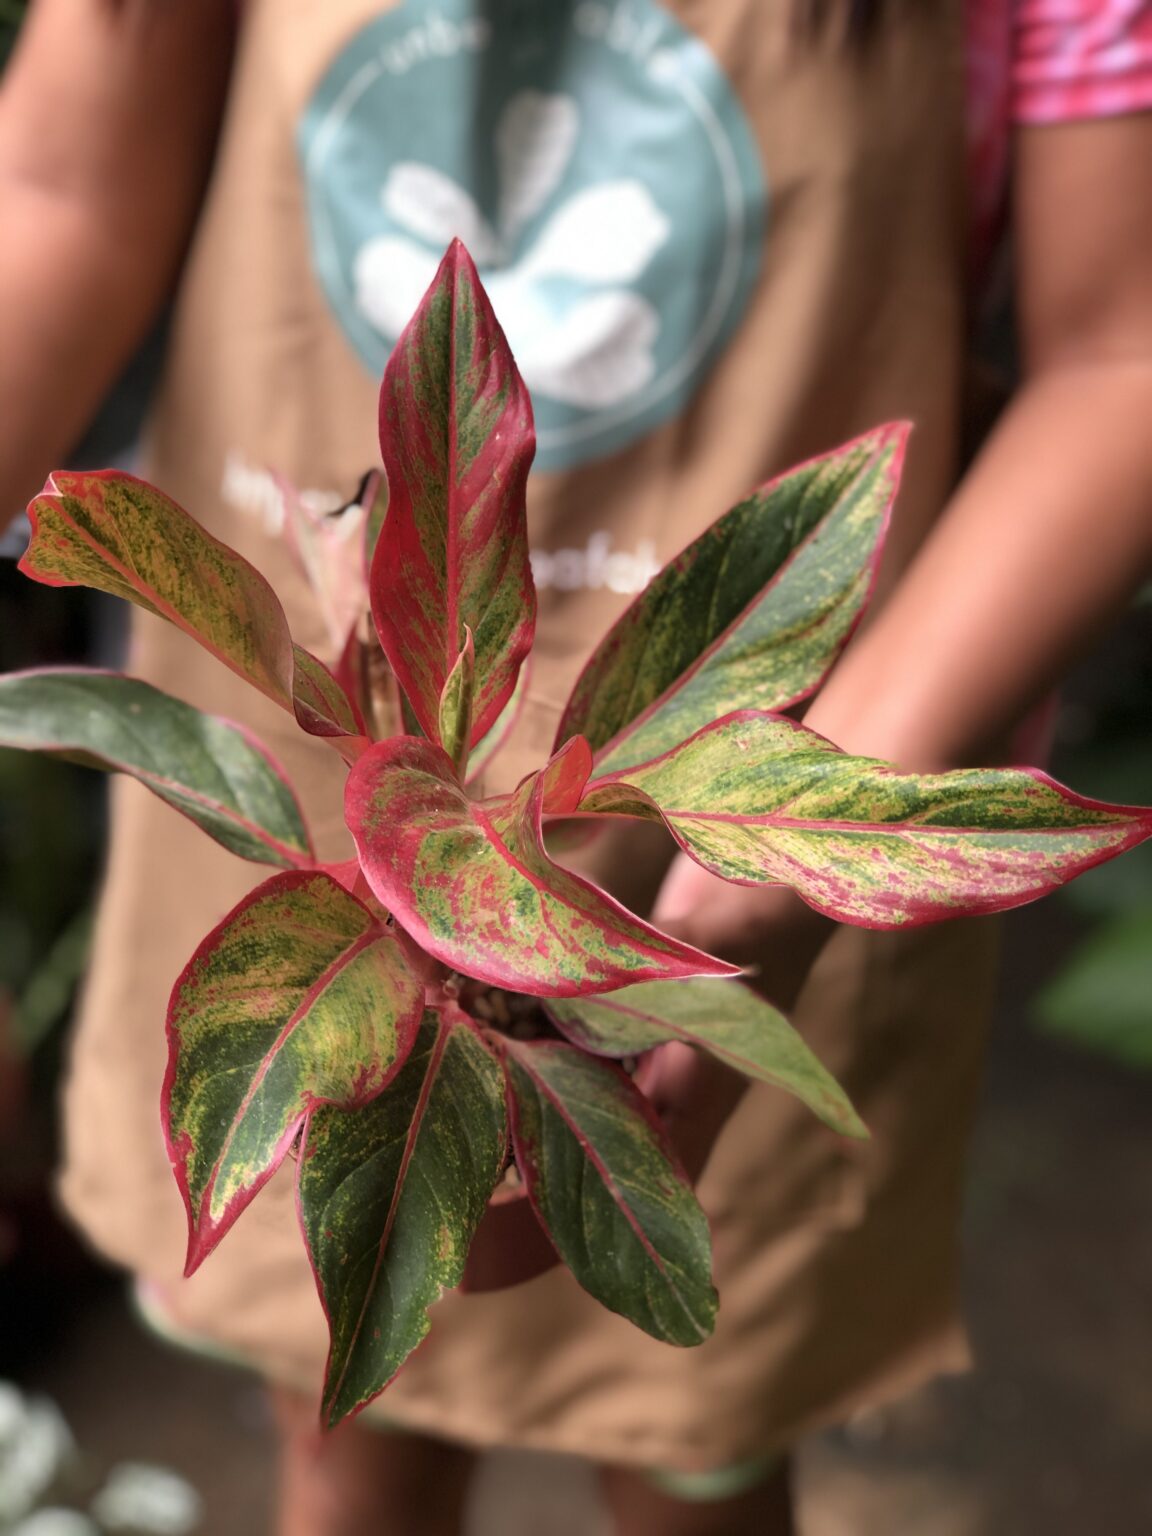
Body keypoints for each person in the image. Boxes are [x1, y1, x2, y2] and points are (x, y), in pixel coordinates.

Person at [2, 2, 1152, 1533]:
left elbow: (1124, 351)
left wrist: (780, 873)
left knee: (699, 1451)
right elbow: (64, 185)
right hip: (320, 812)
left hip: (766, 807)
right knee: (341, 1422)